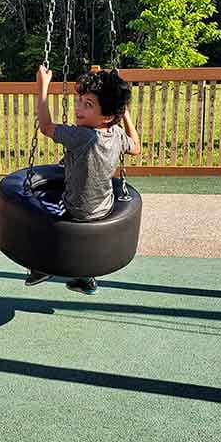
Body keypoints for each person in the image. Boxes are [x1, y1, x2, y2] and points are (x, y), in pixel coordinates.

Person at [25, 64, 142, 294]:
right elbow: (136, 147)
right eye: (80, 100)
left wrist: (42, 89)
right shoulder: (116, 133)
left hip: (76, 208)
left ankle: (42, 266)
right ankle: (85, 278)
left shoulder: (82, 136)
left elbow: (46, 127)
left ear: (107, 116)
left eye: (88, 105)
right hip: (104, 207)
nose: (79, 108)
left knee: (36, 209)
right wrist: (125, 113)